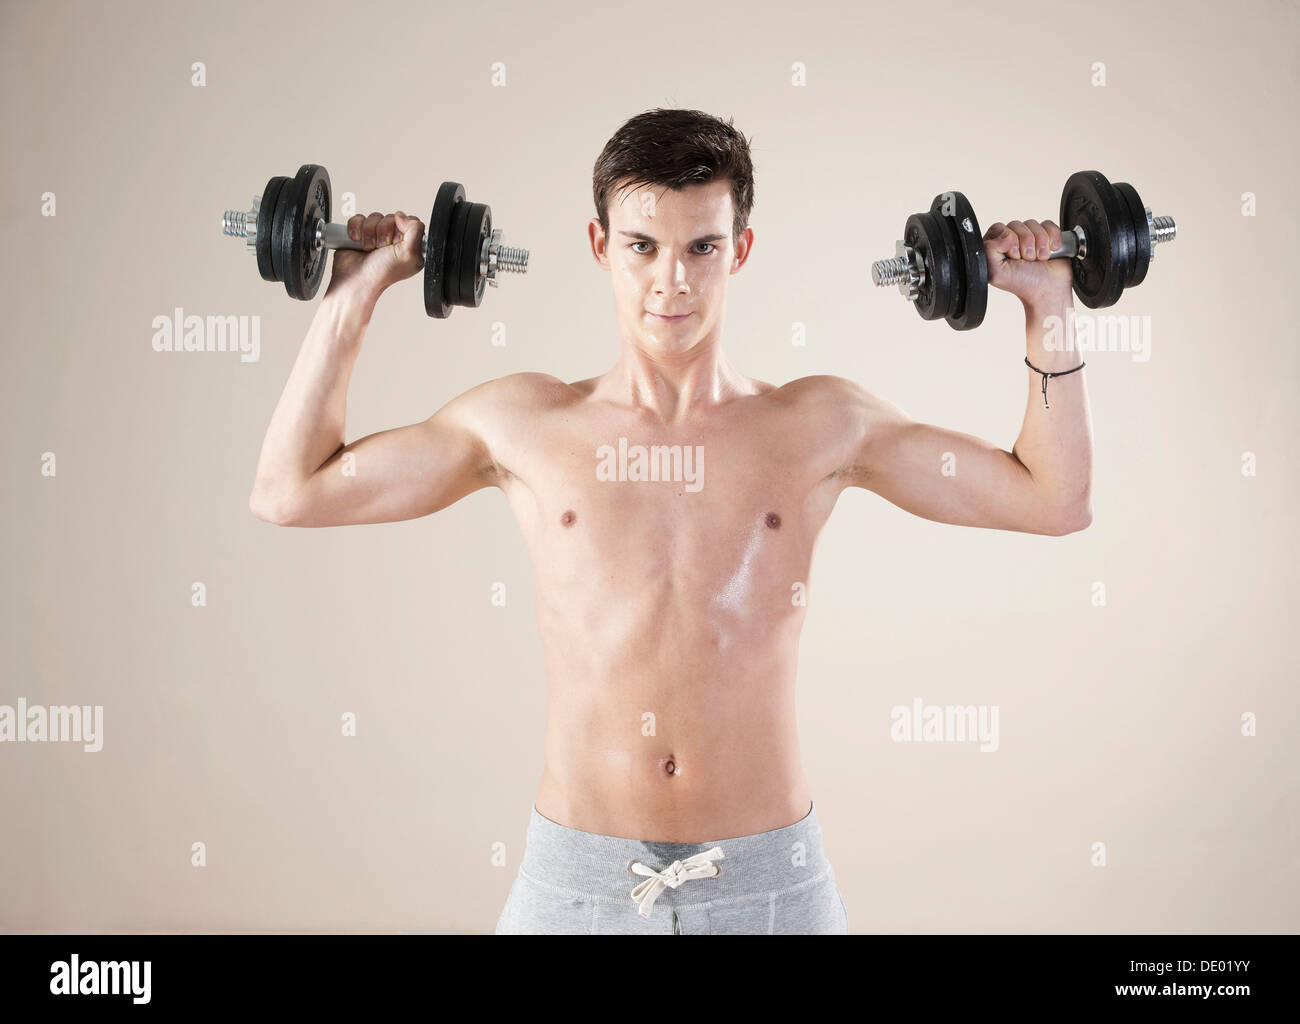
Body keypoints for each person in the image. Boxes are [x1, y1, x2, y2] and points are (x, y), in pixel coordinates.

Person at [248, 108, 1092, 934]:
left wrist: (1047, 307)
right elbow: (292, 491)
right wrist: (352, 295)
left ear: (741, 250)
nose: (672, 281)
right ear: (600, 246)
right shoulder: (525, 425)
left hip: (771, 889)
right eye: (643, 247)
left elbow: (1051, 500)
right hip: (575, 892)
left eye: (703, 247)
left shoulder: (821, 425)